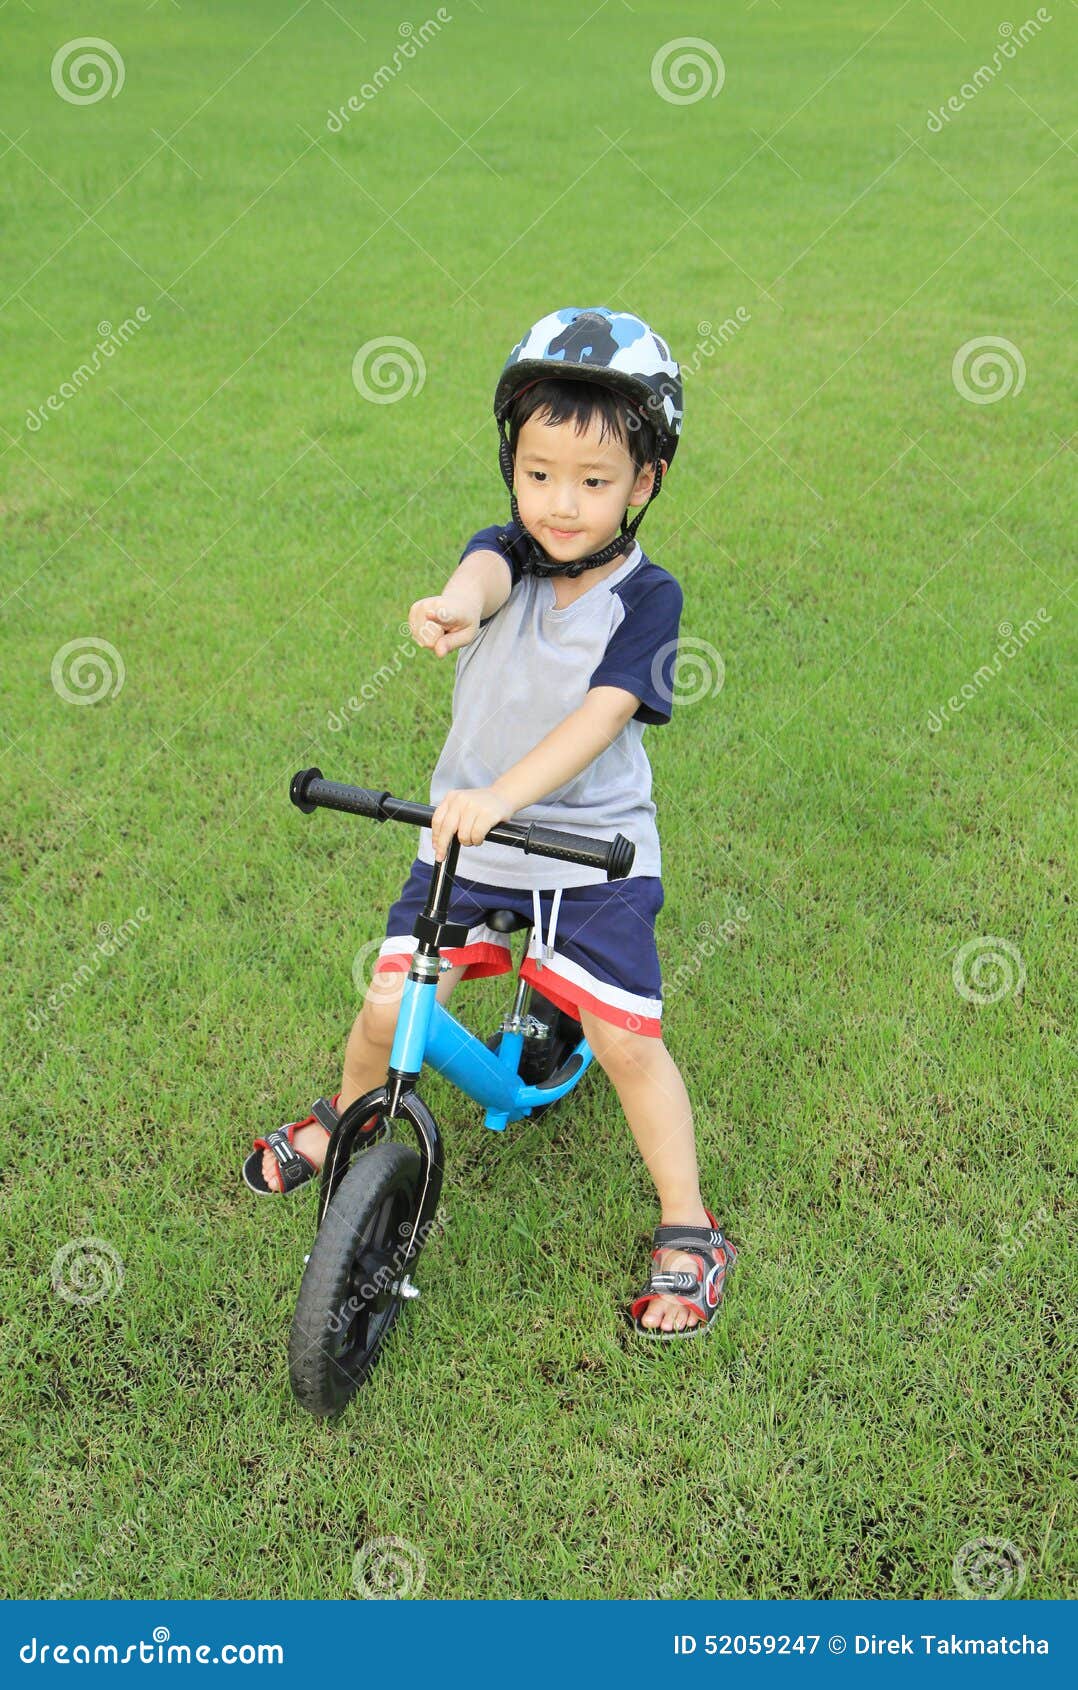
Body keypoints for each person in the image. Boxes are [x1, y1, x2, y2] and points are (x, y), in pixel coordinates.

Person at [244, 306, 738, 1337]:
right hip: (468, 844)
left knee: (623, 1036)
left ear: (644, 483)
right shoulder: (506, 552)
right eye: (539, 472)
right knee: (388, 998)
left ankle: (689, 1224)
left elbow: (603, 718)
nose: (561, 504)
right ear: (511, 465)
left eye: (594, 482)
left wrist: (505, 796)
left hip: (588, 855)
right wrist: (454, 603)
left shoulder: (646, 598)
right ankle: (345, 1113)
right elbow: (484, 573)